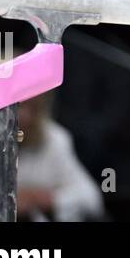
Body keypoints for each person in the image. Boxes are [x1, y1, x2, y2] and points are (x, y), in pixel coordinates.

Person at [15, 92, 105, 222]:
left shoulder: (53, 139)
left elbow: (91, 198)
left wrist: (44, 198)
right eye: (17, 106)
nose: (23, 116)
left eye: (33, 108)